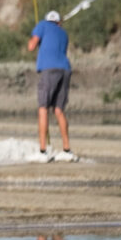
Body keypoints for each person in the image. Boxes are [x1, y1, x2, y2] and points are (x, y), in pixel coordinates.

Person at [27, 10, 76, 162]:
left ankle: (43, 152)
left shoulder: (42, 25)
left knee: (43, 108)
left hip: (49, 70)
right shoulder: (63, 33)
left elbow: (31, 46)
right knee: (58, 110)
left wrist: (35, 41)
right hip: (65, 70)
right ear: (58, 21)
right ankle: (67, 151)